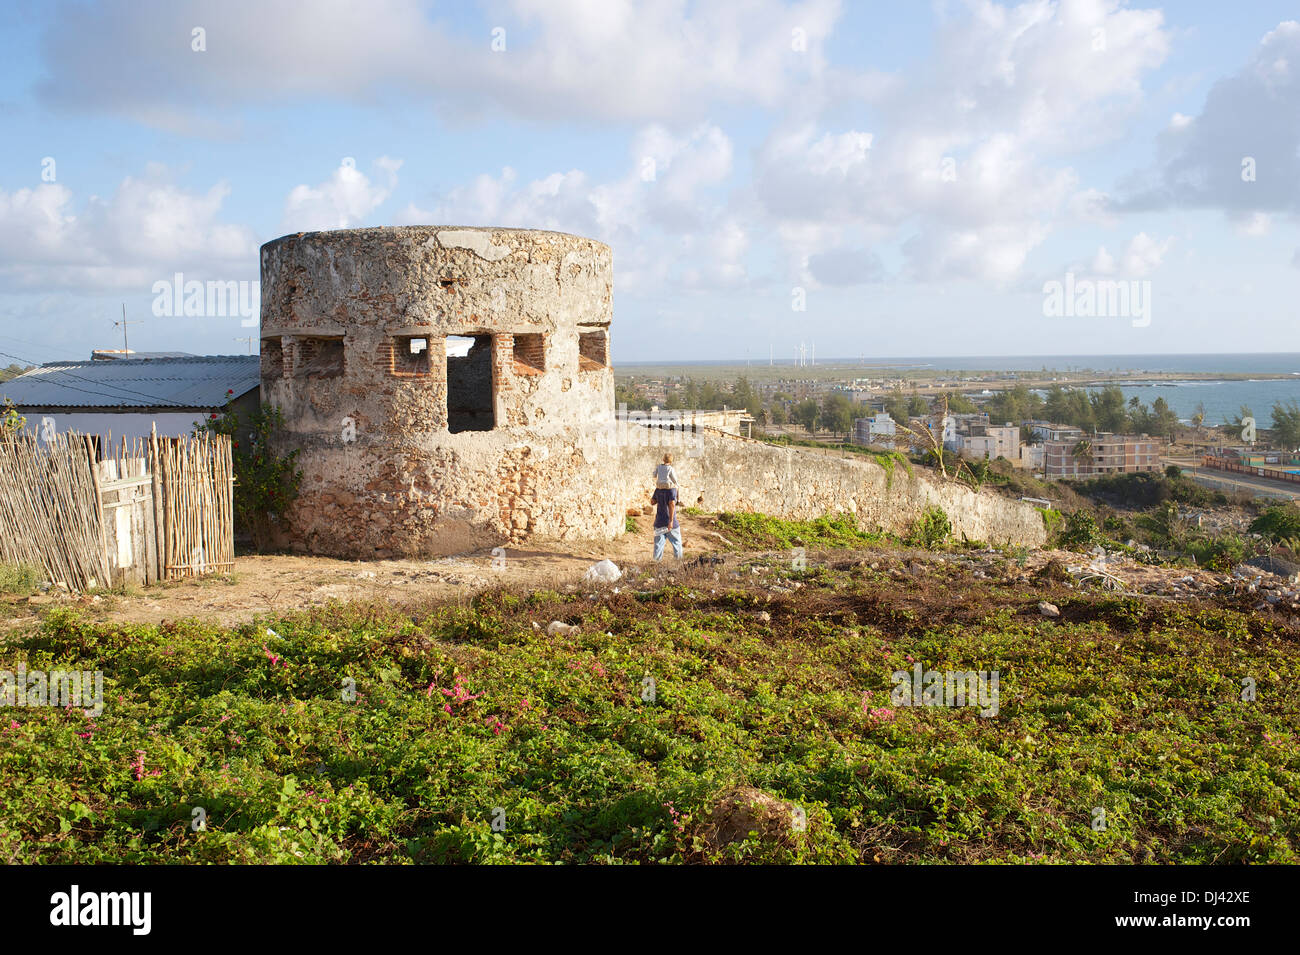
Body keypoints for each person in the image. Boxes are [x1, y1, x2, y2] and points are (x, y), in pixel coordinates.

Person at [651, 482, 683, 562]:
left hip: (659, 522)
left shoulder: (658, 489)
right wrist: (671, 521)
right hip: (671, 524)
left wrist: (660, 497)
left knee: (658, 545)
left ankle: (655, 566)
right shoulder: (672, 490)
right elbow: (672, 504)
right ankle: (679, 566)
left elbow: (652, 502)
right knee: (677, 544)